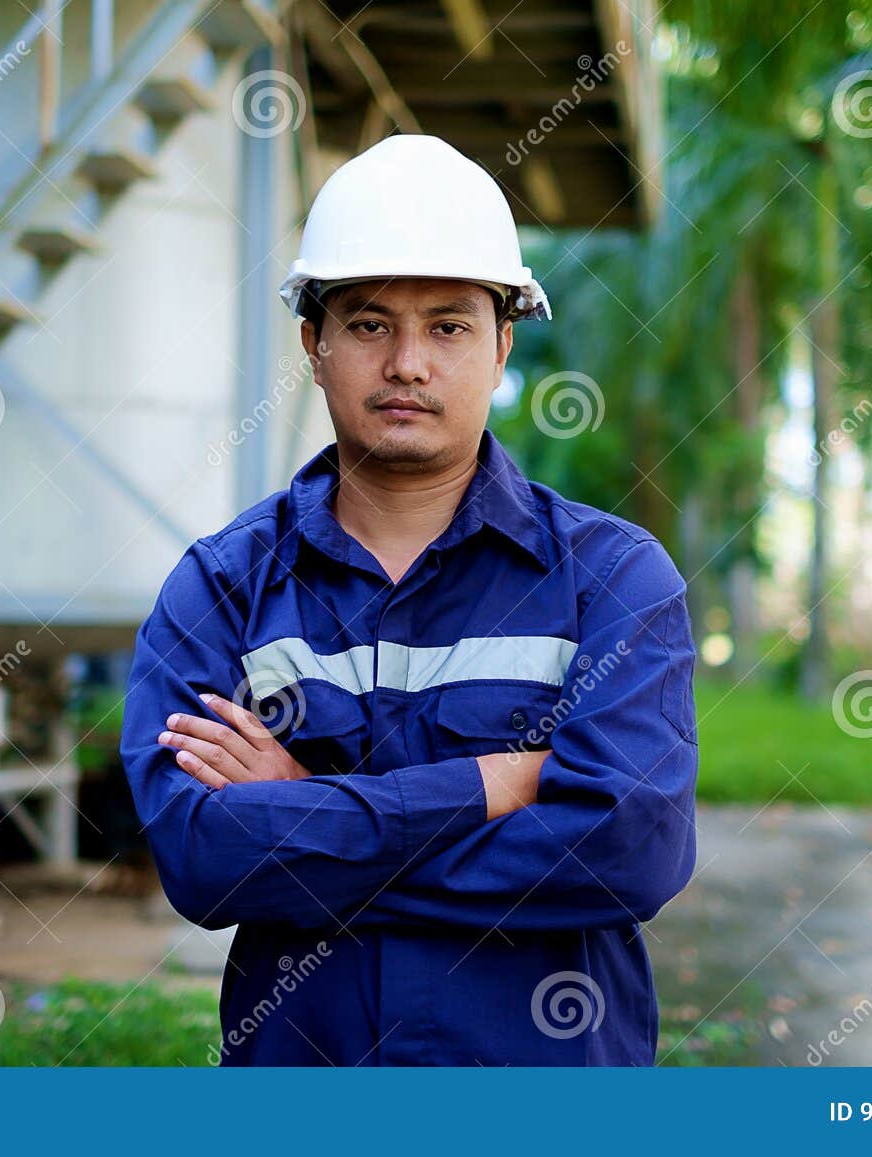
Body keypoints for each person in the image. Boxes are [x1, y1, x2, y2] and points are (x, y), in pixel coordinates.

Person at [121, 134, 698, 1066]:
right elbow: (200, 859)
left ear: (504, 342)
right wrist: (492, 784)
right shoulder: (222, 586)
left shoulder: (614, 580)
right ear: (313, 343)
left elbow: (629, 849)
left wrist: (310, 809)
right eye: (368, 324)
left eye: (449, 325)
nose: (408, 364)